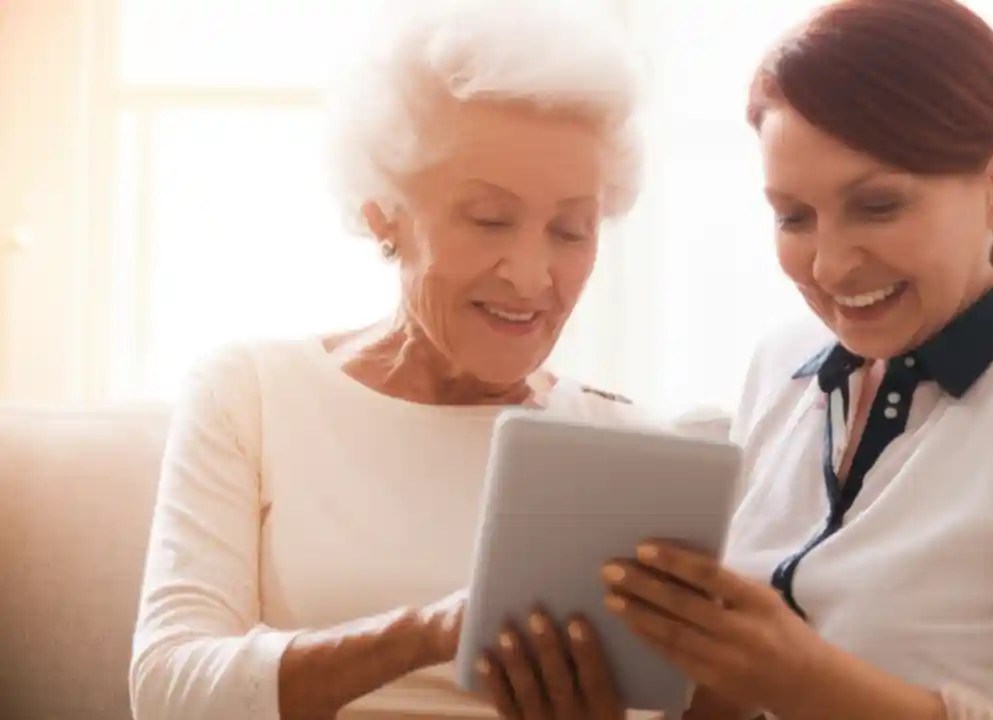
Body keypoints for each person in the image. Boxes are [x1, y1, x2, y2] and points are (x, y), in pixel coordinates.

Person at [477, 1, 993, 718]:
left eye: (878, 206)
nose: (829, 267)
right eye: (793, 216)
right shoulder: (785, 366)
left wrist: (810, 684)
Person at [127, 1, 657, 718]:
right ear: (384, 213)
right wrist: (430, 631)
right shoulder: (251, 391)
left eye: (571, 230)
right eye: (489, 219)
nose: (533, 278)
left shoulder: (622, 443)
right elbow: (168, 689)